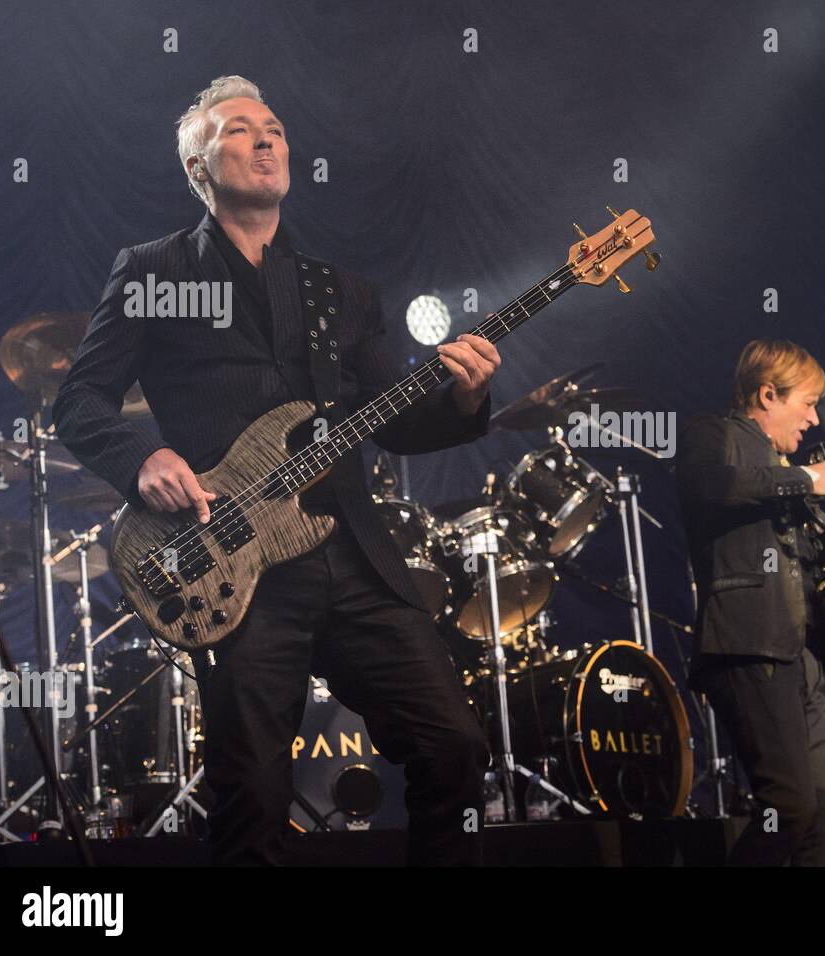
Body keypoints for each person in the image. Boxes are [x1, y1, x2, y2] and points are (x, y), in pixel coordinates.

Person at [53, 75, 500, 865]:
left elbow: (393, 427)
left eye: (275, 128)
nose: (265, 140)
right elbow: (80, 401)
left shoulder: (341, 290)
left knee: (455, 747)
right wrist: (143, 458)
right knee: (252, 795)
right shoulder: (153, 271)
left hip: (352, 554)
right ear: (197, 167)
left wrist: (465, 400)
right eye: (238, 130)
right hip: (234, 562)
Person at [677, 339, 825, 865]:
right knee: (787, 807)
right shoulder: (712, 432)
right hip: (749, 647)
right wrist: (804, 479)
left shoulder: (785, 470)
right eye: (807, 403)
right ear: (768, 394)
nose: (814, 419)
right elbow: (706, 487)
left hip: (803, 660)